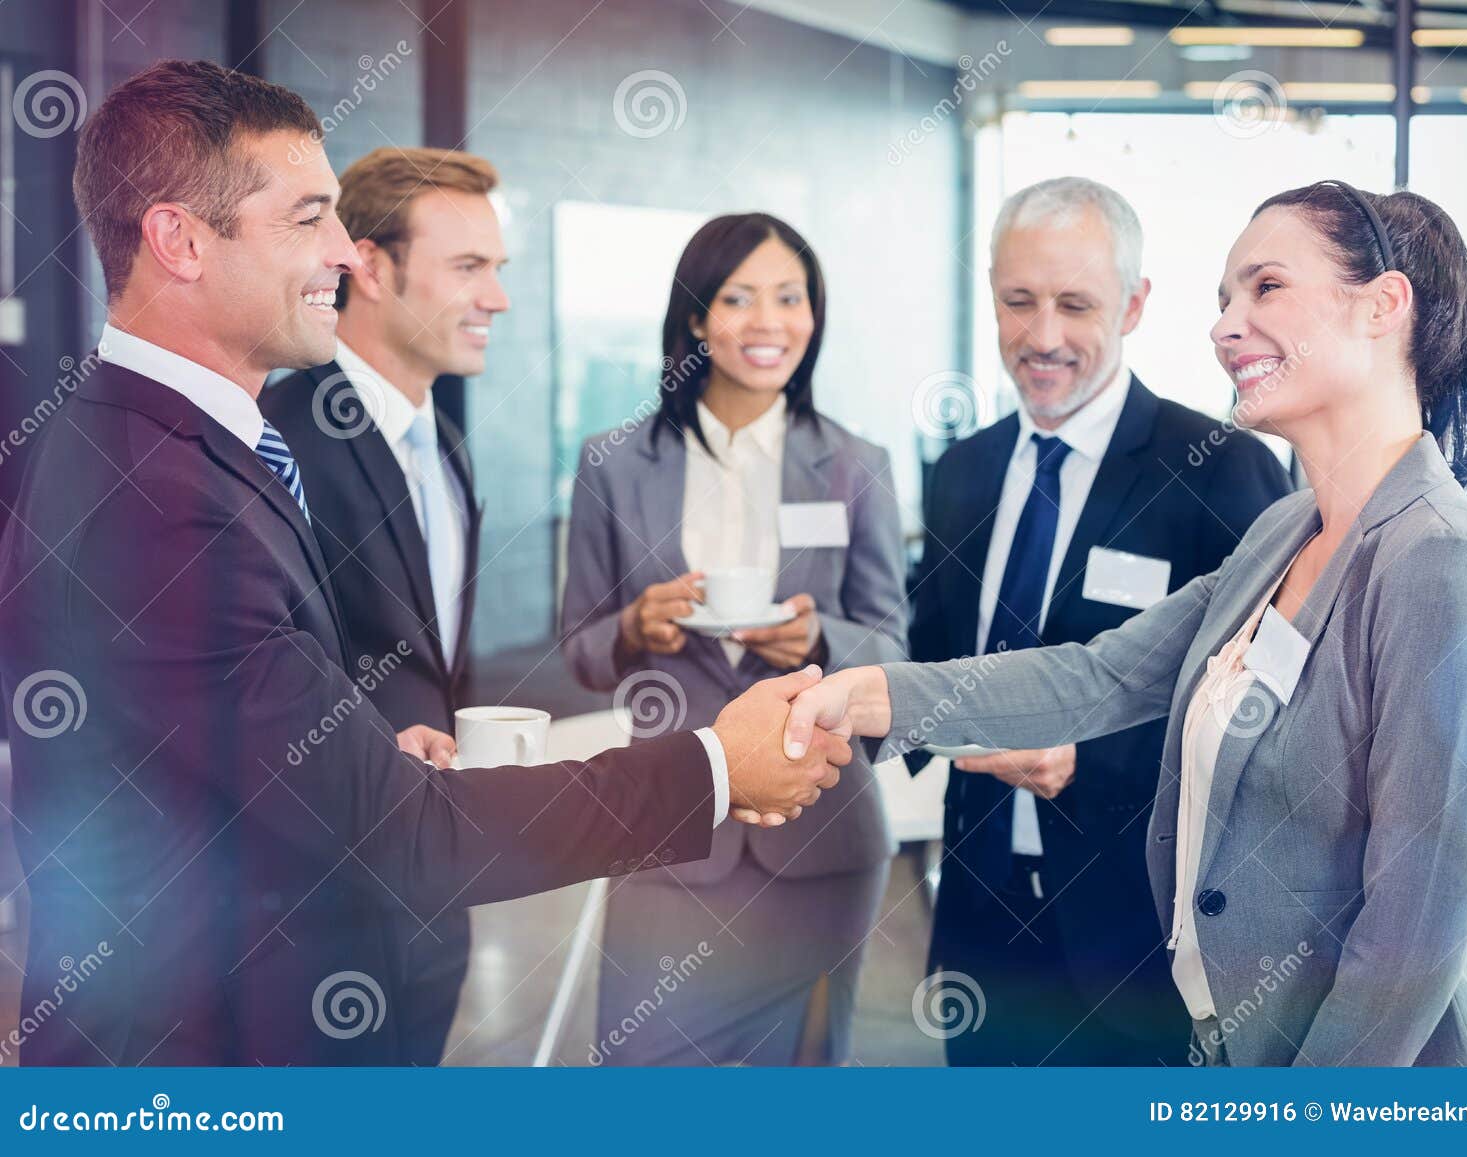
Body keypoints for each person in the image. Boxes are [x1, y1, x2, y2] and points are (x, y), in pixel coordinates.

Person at [0, 60, 849, 1067]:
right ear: (180, 239)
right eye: (308, 217)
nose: (340, 254)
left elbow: (227, 748)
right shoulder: (164, 498)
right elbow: (402, 836)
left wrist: (363, 751)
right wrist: (715, 765)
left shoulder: (158, 440)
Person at [783, 180, 1467, 1067]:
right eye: (1224, 299)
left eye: (1266, 287)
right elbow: (1098, 677)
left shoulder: (1436, 563)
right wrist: (866, 695)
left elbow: (1413, 936)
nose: (1224, 326)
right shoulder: (1286, 532)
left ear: (1381, 306)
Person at [906, 177, 1290, 1066]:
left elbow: (1265, 717)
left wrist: (1087, 760)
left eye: (1075, 304)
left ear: (1134, 305)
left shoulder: (1221, 472)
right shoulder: (963, 472)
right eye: (1018, 301)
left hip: (1133, 937)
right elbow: (930, 650)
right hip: (979, 922)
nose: (1042, 337)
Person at [561, 213, 907, 1065]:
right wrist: (636, 627)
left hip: (821, 836)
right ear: (695, 318)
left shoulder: (857, 465)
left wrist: (820, 637)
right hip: (665, 828)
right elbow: (576, 647)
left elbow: (896, 650)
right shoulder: (613, 462)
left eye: (791, 298)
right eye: (740, 298)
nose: (770, 322)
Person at [262, 147, 507, 1065]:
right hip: (316, 921)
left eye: (498, 270)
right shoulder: (280, 439)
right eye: (467, 268)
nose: (497, 299)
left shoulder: (444, 442)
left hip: (431, 895)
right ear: (368, 265)